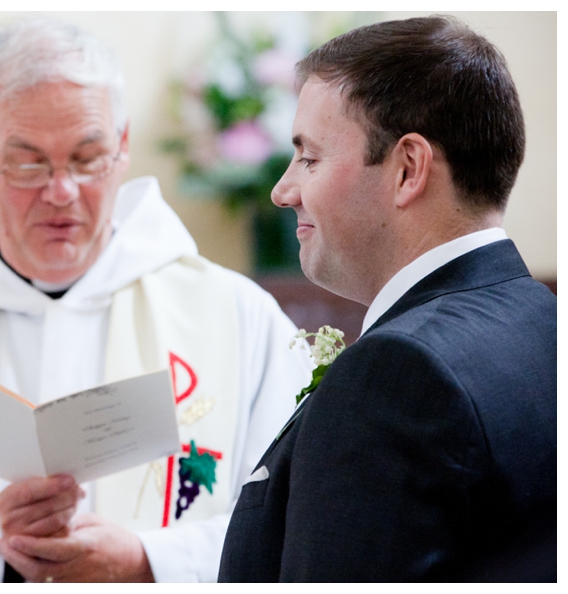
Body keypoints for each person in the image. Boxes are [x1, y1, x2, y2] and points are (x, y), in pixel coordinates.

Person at [0, 18, 313, 582]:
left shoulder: (236, 316)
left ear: (123, 145)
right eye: (29, 162)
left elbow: (295, 513)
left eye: (87, 158)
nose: (61, 191)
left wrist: (148, 562)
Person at [218, 16, 556, 582]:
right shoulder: (543, 322)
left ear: (407, 168)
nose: (282, 190)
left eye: (309, 157)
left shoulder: (398, 375)